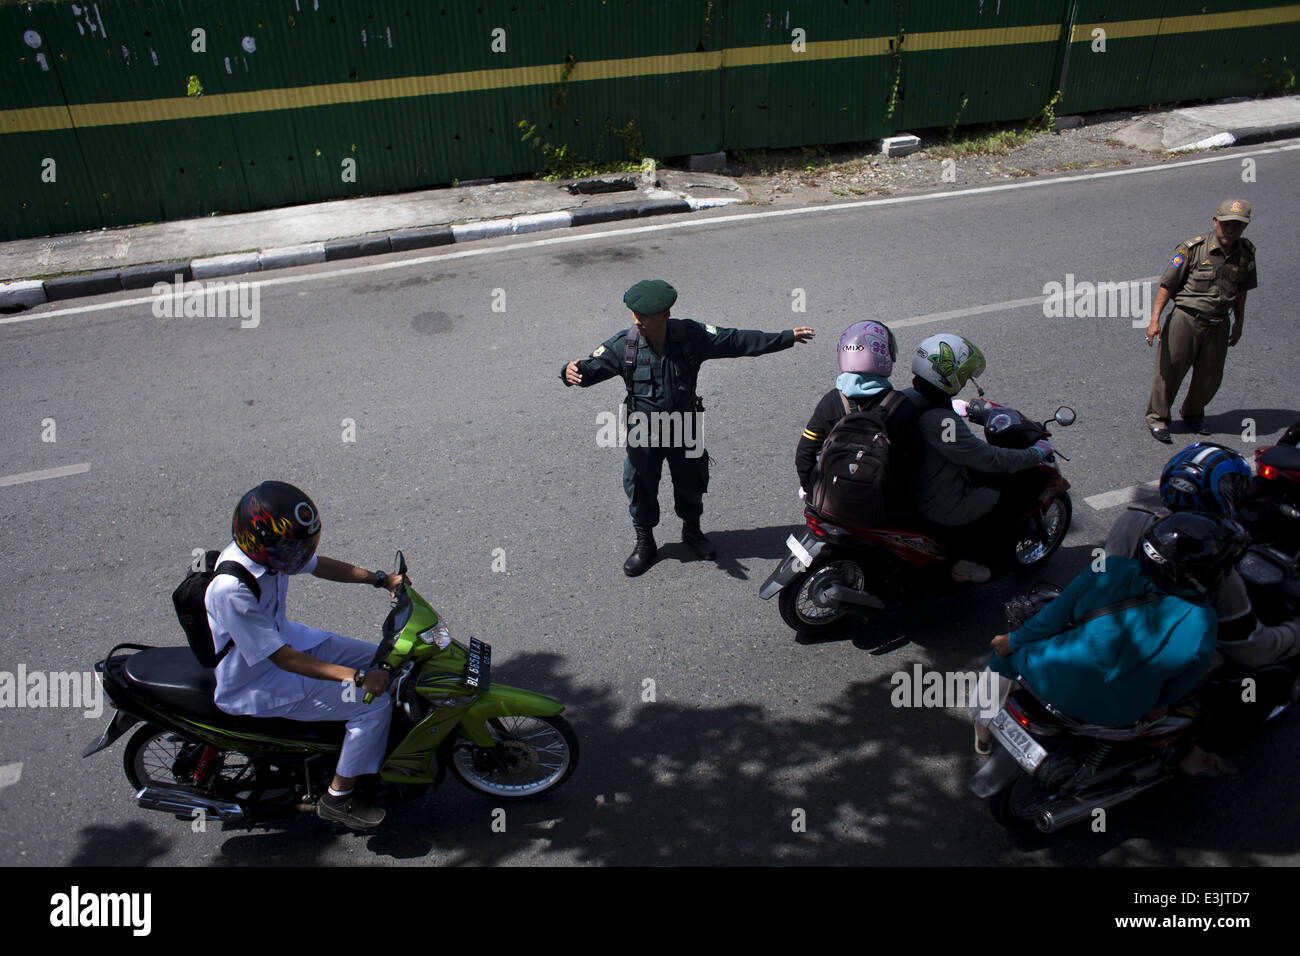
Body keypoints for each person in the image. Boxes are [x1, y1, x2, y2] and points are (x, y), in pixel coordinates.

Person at [561, 279, 815, 576]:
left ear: (665, 314)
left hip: (684, 428)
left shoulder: (690, 336)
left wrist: (785, 337)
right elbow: (588, 370)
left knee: (691, 482)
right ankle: (646, 543)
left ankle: (692, 532)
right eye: (634, 314)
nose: (637, 320)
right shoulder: (625, 345)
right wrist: (569, 372)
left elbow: (736, 341)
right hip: (644, 432)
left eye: (644, 315)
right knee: (641, 486)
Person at [205, 481, 404, 829]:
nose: (298, 558)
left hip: (290, 641)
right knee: (372, 704)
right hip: (261, 679)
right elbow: (283, 660)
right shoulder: (232, 588)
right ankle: (338, 799)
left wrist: (381, 579)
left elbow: (319, 565)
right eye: (292, 551)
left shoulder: (278, 553)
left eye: (301, 548)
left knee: (387, 658)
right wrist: (355, 678)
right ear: (258, 542)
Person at [1105, 444, 1300, 777]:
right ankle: (1201, 755)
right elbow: (1252, 648)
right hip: (1160, 656)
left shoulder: (1132, 519)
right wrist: (1295, 633)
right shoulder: (1220, 568)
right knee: (1271, 677)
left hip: (1110, 628)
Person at [985, 511, 1248, 730]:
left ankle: (982, 724)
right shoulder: (1204, 622)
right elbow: (1181, 684)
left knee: (1003, 653)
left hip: (1049, 676)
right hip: (1118, 715)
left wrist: (1013, 640)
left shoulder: (1112, 570)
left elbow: (1052, 619)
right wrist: (1159, 705)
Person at [902, 333, 1053, 582]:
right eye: (964, 376)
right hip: (941, 502)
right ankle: (968, 561)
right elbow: (985, 457)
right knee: (1017, 491)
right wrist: (1034, 454)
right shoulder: (942, 423)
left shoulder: (907, 397)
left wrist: (952, 407)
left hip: (914, 483)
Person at [1144, 199, 1257, 443]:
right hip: (1186, 319)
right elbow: (1167, 286)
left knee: (1210, 377)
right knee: (1169, 371)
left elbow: (1241, 290)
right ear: (1215, 221)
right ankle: (1158, 418)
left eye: (1237, 225)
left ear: (1245, 227)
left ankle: (1193, 413)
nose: (1231, 230)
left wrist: (1239, 322)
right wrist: (1154, 320)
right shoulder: (1192, 249)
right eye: (1226, 224)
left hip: (1218, 322)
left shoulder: (1246, 253)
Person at [795, 319, 919, 519]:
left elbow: (804, 452)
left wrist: (812, 489)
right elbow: (914, 465)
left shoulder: (831, 401)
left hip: (832, 504)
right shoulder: (902, 406)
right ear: (882, 356)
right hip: (883, 509)